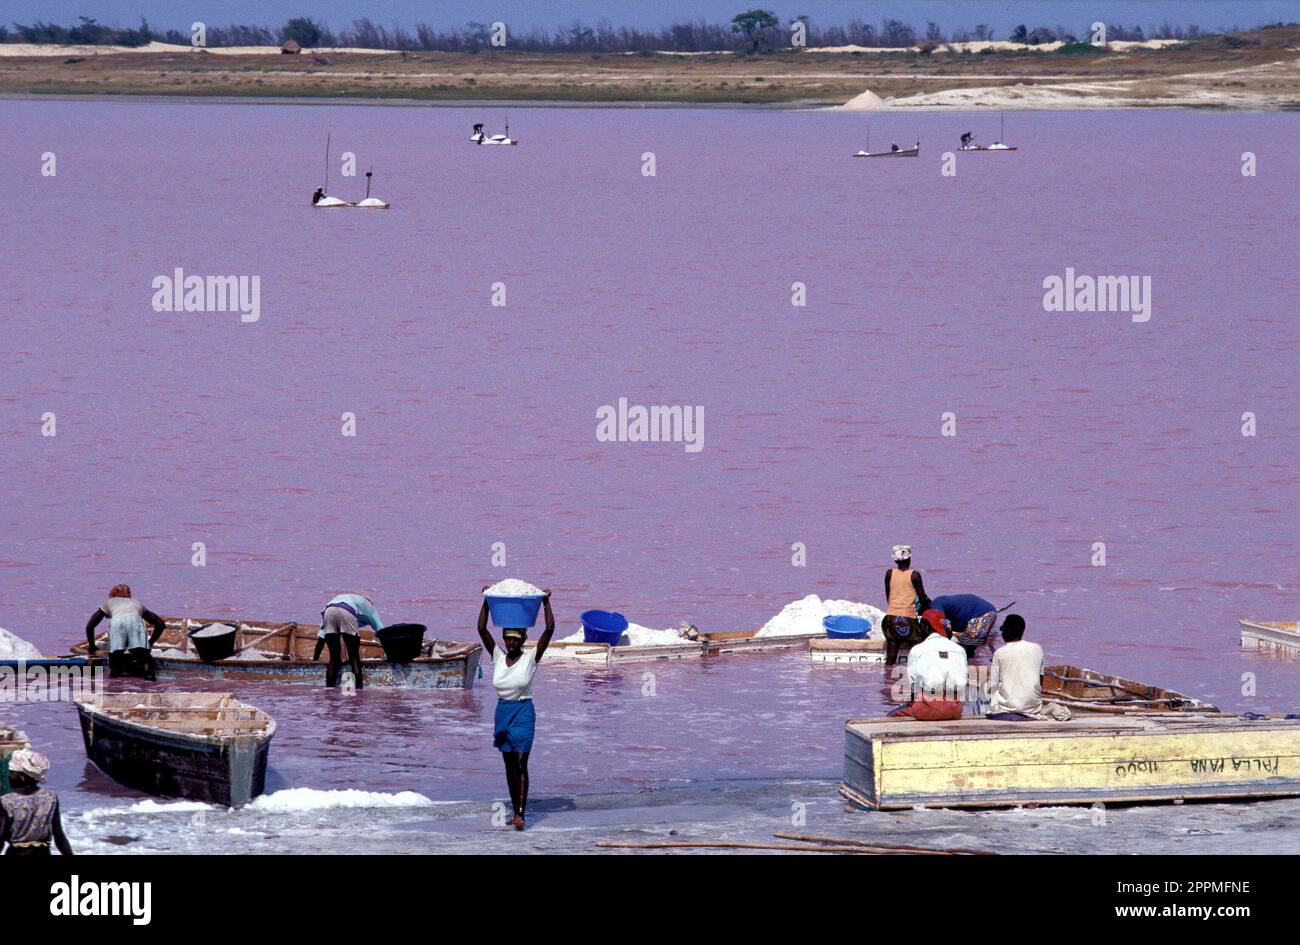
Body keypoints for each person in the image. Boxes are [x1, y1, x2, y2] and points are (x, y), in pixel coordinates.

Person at [477, 587, 555, 831]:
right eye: (507, 638)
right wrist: (487, 600)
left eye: (514, 639)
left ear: (522, 639)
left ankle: (521, 813)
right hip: (502, 713)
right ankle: (515, 809)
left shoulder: (531, 658)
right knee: (509, 765)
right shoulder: (498, 656)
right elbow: (481, 629)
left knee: (521, 764)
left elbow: (549, 630)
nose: (510, 642)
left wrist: (545, 602)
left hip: (523, 713)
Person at [986, 614, 1071, 721]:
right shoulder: (1037, 649)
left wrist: (992, 708)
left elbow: (992, 686)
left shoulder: (999, 652)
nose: (1002, 634)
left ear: (1007, 631)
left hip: (1009, 708)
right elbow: (1040, 682)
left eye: (1003, 631)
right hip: (1033, 707)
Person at [889, 609, 967, 720]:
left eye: (921, 626)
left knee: (892, 715)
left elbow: (913, 686)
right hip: (955, 708)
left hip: (928, 706)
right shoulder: (959, 650)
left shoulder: (918, 650)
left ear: (925, 626)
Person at [84, 584, 166, 680]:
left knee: (115, 660)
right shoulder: (136, 603)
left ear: (114, 594)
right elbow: (160, 624)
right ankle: (149, 684)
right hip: (135, 621)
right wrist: (150, 643)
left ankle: (114, 686)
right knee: (145, 658)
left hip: (116, 623)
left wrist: (92, 646)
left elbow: (90, 626)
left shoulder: (108, 602)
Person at [0, 750, 73, 856]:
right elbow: (59, 836)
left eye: (11, 773)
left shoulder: (6, 801)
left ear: (21, 776)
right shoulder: (50, 798)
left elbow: (0, 837)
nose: (9, 776)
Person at [317, 593, 383, 689]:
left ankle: (329, 690)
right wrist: (390, 651)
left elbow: (321, 637)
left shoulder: (351, 599)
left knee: (333, 659)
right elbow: (380, 629)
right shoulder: (368, 606)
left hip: (329, 610)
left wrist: (315, 658)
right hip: (347, 611)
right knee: (354, 658)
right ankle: (358, 691)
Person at [881, 545, 929, 666]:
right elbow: (922, 599)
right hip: (908, 619)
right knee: (916, 646)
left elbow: (888, 597)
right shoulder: (915, 575)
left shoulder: (889, 573)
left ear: (895, 560)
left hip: (890, 619)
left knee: (892, 650)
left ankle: (887, 680)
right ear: (909, 559)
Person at [931, 593, 1000, 658]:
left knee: (967, 640)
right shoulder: (941, 606)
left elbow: (941, 625)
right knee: (969, 645)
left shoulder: (936, 604)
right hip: (984, 612)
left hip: (983, 612)